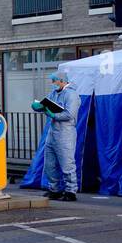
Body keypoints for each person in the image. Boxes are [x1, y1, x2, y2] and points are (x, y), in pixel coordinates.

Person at [33, 68, 80, 202]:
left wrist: (53, 114)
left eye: (54, 80)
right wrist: (39, 106)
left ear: (62, 81)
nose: (52, 83)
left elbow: (70, 114)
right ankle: (54, 189)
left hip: (65, 134)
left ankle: (71, 191)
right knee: (50, 164)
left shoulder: (71, 95)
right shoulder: (54, 93)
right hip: (52, 133)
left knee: (67, 164)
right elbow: (46, 104)